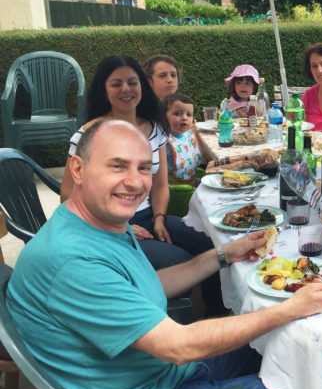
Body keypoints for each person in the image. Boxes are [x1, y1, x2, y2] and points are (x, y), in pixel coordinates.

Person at [8, 120, 322, 389]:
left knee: (297, 350)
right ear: (78, 170)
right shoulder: (73, 262)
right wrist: (289, 309)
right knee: (317, 379)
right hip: (157, 380)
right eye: (117, 166)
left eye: (143, 168)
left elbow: (143, 287)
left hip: (167, 372)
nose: (135, 182)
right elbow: (178, 345)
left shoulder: (96, 223)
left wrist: (224, 254)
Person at [59, 56, 220, 316]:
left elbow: (160, 186)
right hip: (109, 227)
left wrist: (159, 218)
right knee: (179, 260)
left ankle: (216, 315)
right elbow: (67, 194)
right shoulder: (90, 134)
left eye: (132, 82)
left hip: (149, 216)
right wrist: (120, 227)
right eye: (116, 83)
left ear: (142, 87)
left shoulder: (154, 128)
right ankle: (166, 325)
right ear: (104, 89)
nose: (126, 89)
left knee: (213, 243)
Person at [163, 93, 205, 185]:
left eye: (189, 114)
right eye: (177, 113)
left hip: (191, 180)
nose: (184, 118)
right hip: (173, 187)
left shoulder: (189, 135)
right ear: (163, 116)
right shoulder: (164, 142)